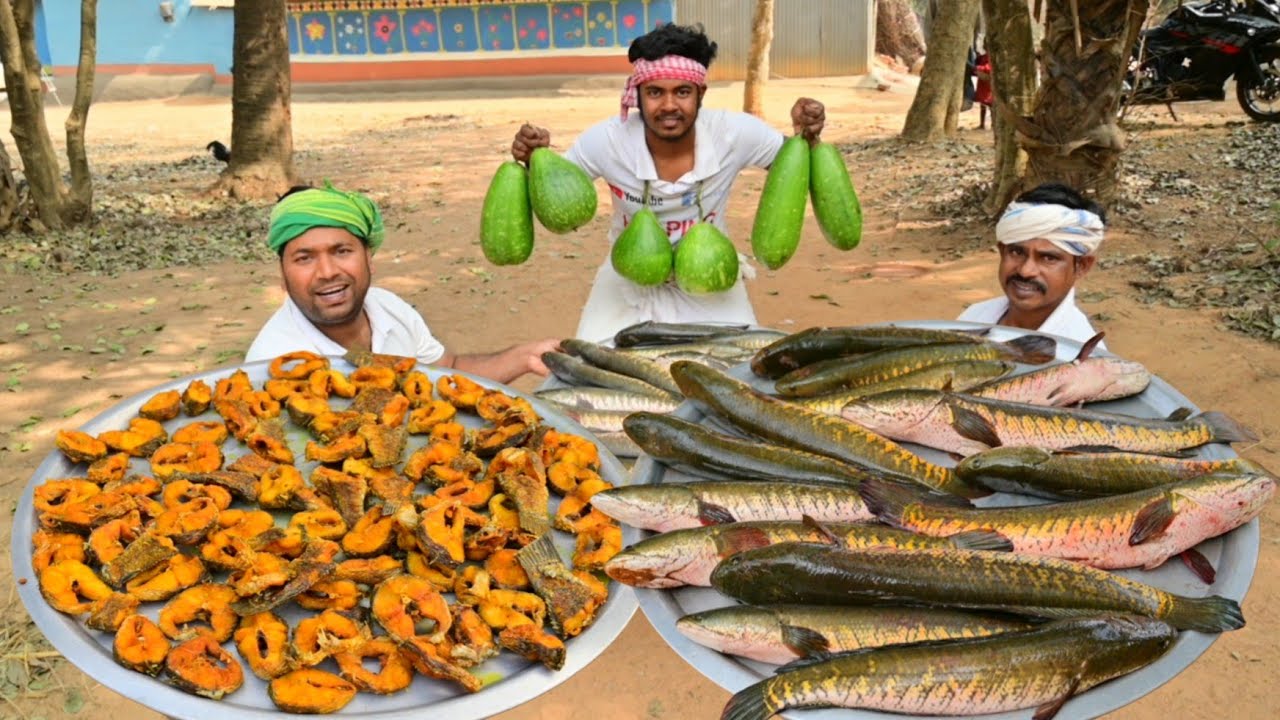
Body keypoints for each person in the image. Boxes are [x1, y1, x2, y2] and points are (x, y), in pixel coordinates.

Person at [510, 22, 826, 343]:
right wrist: (533, 159)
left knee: (740, 366)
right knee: (590, 368)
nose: (669, 106)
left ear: (701, 93)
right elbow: (558, 194)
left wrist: (806, 137)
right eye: (655, 92)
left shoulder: (734, 133)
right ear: (637, 95)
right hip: (628, 277)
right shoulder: (607, 140)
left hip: (712, 274)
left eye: (682, 92)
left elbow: (793, 165)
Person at [245, 183, 560, 382]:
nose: (327, 271)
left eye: (342, 251)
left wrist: (523, 357)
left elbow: (446, 372)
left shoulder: (387, 307)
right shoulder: (274, 363)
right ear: (283, 275)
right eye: (304, 258)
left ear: (369, 258)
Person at [957, 183, 1107, 348]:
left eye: (1048, 258)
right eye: (1016, 252)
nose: (1025, 271)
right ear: (1002, 251)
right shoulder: (975, 317)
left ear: (1082, 266)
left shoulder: (1078, 355)